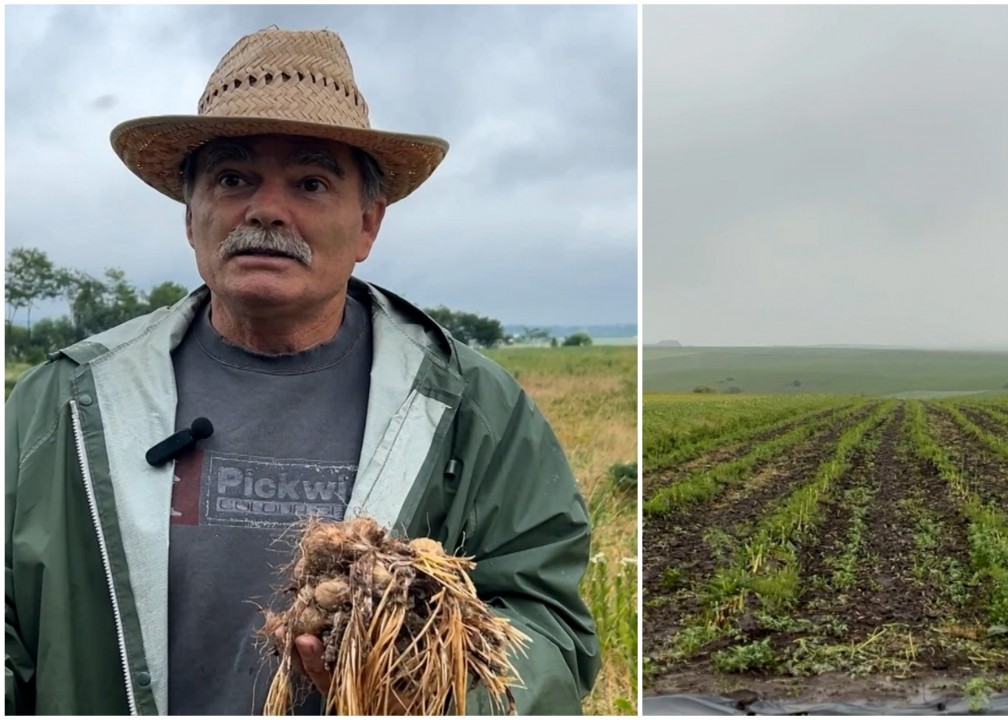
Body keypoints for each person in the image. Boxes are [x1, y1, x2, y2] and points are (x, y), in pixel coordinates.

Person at [4, 27, 599, 715]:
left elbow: (547, 626)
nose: (265, 209)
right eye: (233, 179)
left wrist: (422, 695)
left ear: (368, 225)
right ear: (190, 216)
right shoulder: (67, 403)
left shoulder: (469, 408)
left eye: (311, 183)